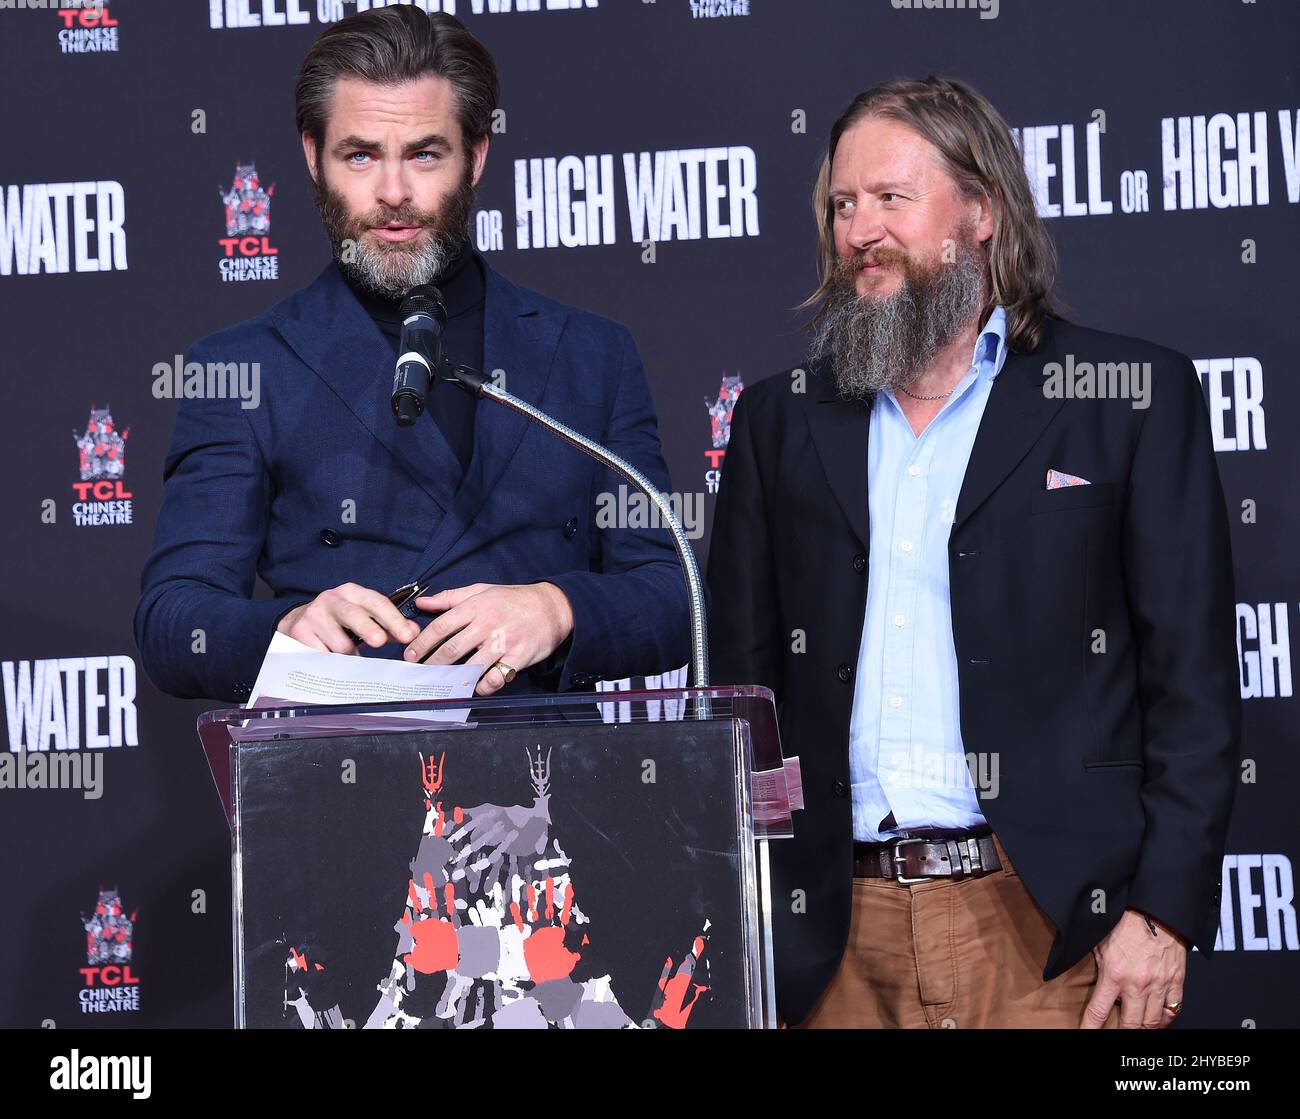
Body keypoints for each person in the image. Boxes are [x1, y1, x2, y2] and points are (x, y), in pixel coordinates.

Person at [707, 76, 1240, 1029]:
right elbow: (746, 692)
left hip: (1051, 927)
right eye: (842, 203)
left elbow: (1191, 684)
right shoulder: (777, 421)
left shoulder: (1123, 398)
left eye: (891, 200)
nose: (860, 228)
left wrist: (1160, 913)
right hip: (834, 938)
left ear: (982, 211)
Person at [136, 7, 687, 704]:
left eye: (425, 153)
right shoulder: (247, 369)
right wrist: (288, 627)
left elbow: (673, 594)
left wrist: (559, 607)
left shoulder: (590, 355)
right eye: (360, 154)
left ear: (476, 156)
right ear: (313, 156)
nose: (393, 193)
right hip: (342, 781)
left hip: (551, 785)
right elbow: (171, 621)